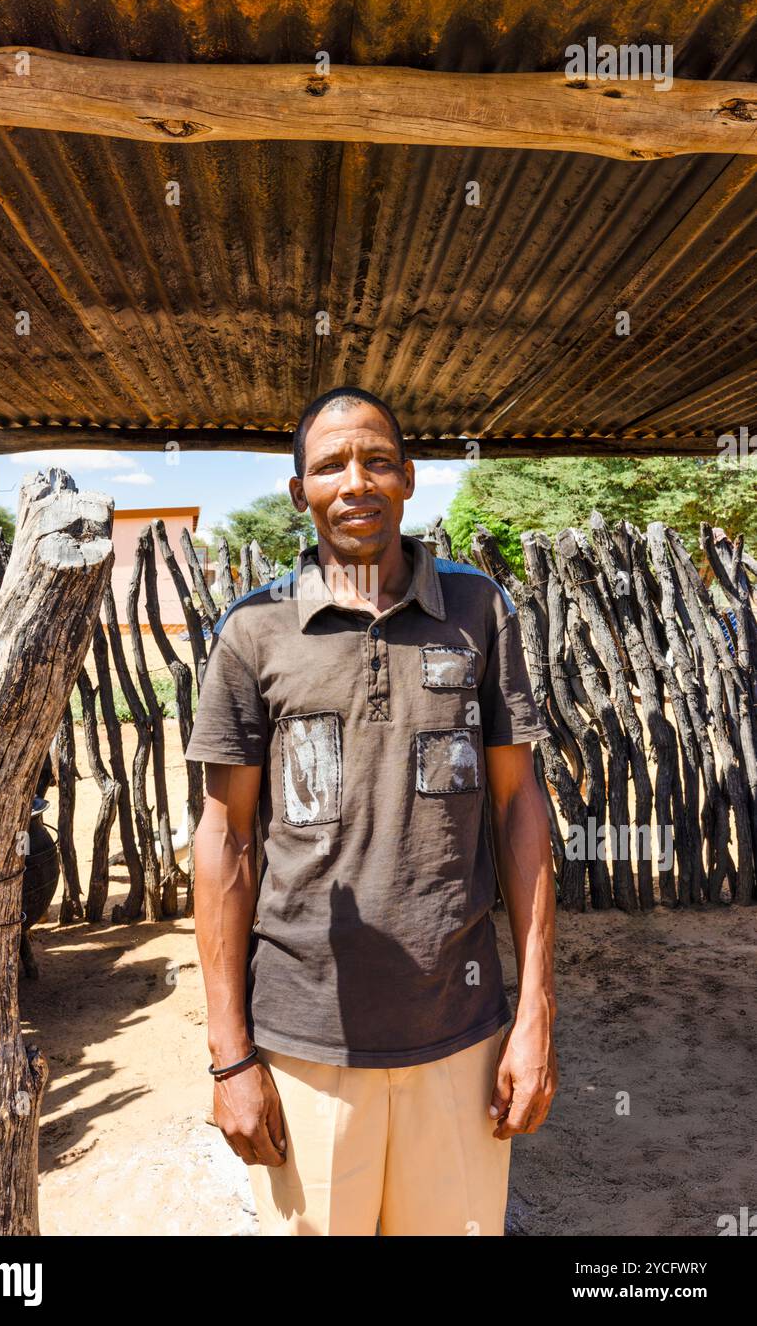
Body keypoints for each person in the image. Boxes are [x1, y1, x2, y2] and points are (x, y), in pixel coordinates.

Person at [184, 386, 558, 1236]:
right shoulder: (255, 632)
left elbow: (517, 809)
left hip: (462, 1031)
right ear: (299, 493)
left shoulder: (477, 611)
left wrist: (535, 1015)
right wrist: (229, 1056)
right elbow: (226, 838)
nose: (356, 481)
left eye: (377, 460)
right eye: (330, 466)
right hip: (304, 1038)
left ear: (408, 478)